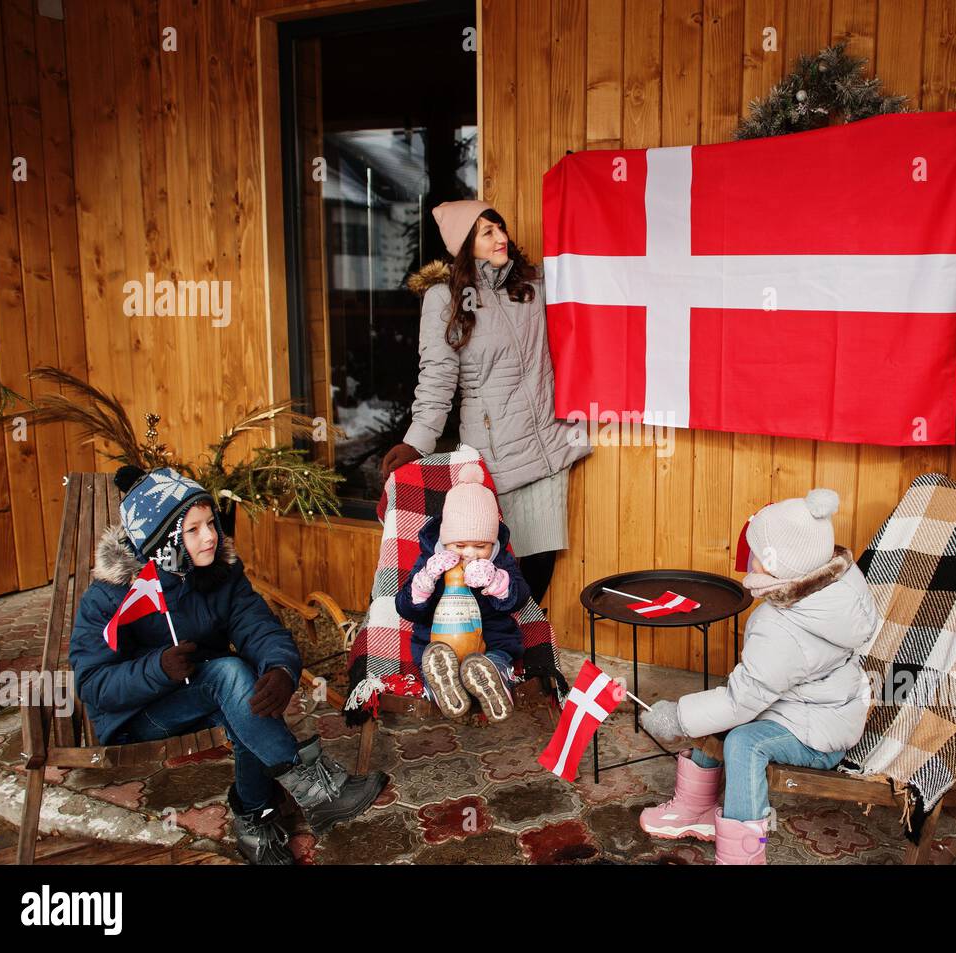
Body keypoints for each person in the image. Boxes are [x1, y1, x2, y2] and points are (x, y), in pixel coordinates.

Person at [69, 466, 388, 865]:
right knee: (229, 673)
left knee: (243, 689)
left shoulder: (219, 573)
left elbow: (257, 625)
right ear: (162, 541)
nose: (210, 536)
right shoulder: (111, 595)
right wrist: (156, 669)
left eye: (210, 523)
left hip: (206, 694)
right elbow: (92, 683)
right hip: (138, 716)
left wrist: (280, 668)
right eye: (193, 530)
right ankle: (313, 787)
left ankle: (255, 819)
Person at [637, 489, 880, 864]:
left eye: (754, 549)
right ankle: (697, 812)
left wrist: (677, 717)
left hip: (818, 733)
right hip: (814, 706)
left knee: (745, 742)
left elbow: (742, 701)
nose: (747, 556)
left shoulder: (781, 627)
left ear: (770, 561)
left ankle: (746, 854)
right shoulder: (836, 585)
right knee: (718, 706)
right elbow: (747, 692)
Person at [381, 201, 591, 607]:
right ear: (464, 245)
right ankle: (488, 652)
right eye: (487, 233)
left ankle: (519, 654)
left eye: (501, 228)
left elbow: (586, 288)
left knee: (540, 564)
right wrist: (417, 442)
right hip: (497, 455)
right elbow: (438, 378)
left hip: (549, 445)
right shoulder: (445, 299)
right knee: (494, 567)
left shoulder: (529, 285)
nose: (501, 238)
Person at [396, 463, 531, 722]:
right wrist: (425, 581)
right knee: (431, 660)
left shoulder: (498, 560)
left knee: (498, 655)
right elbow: (405, 607)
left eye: (480, 546)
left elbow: (520, 596)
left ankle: (491, 676)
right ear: (446, 541)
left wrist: (495, 581)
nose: (469, 553)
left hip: (490, 640)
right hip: (438, 643)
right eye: (459, 545)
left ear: (492, 543)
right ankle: (442, 688)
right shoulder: (430, 559)